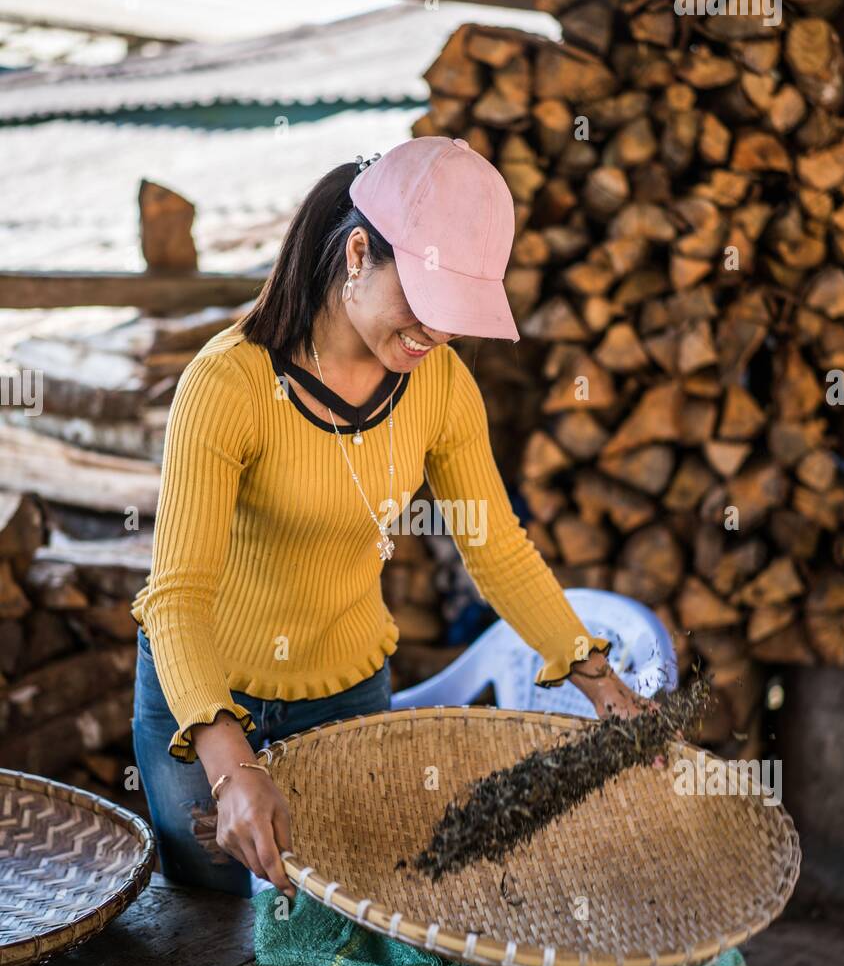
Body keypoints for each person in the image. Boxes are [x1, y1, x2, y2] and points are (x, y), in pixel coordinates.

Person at [131, 136, 652, 900]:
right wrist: (232, 764)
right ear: (356, 254)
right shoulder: (227, 384)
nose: (433, 335)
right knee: (205, 928)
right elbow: (175, 598)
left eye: (452, 317)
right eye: (422, 305)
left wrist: (600, 681)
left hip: (344, 699)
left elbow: (497, 547)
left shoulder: (438, 386)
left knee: (346, 919)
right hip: (200, 708)